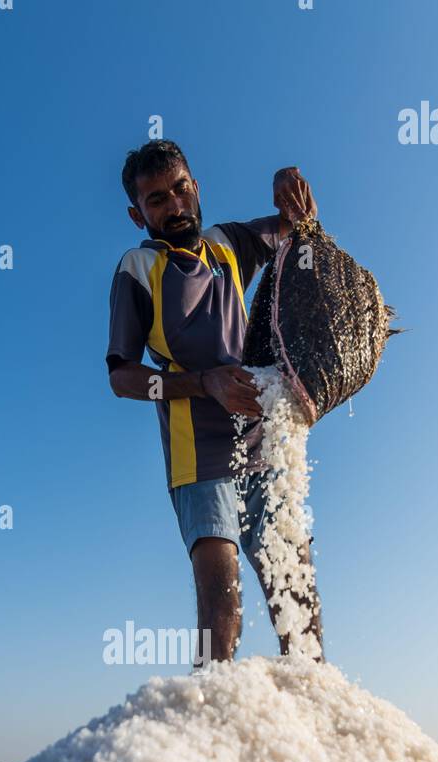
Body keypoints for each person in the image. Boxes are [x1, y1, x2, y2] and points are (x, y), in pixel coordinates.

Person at [106, 138, 322, 663]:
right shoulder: (137, 268)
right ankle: (210, 719)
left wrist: (285, 176)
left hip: (260, 435)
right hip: (195, 449)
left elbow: (293, 226)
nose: (175, 205)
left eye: (181, 189)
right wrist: (205, 383)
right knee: (221, 600)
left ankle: (318, 720)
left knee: (294, 587)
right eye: (157, 199)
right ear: (139, 215)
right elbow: (123, 377)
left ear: (196, 188)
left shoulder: (227, 244)